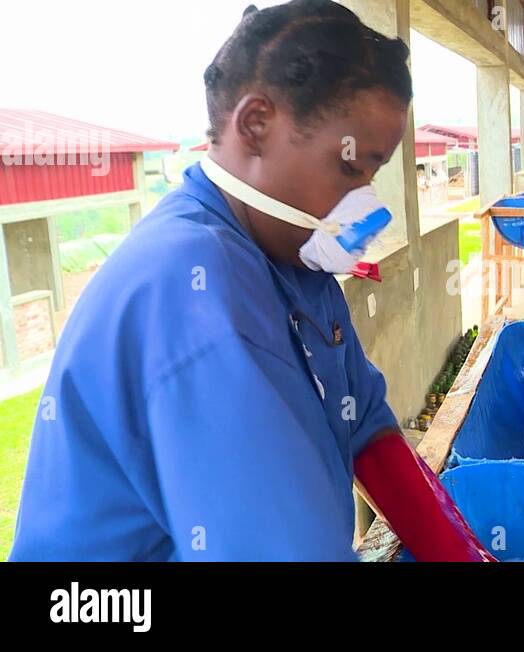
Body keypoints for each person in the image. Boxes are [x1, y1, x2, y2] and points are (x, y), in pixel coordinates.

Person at [10, 0, 494, 562]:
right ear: (256, 126)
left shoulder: (292, 259)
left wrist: (462, 554)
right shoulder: (192, 294)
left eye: (374, 173)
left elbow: (363, 423)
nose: (365, 203)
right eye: (349, 167)